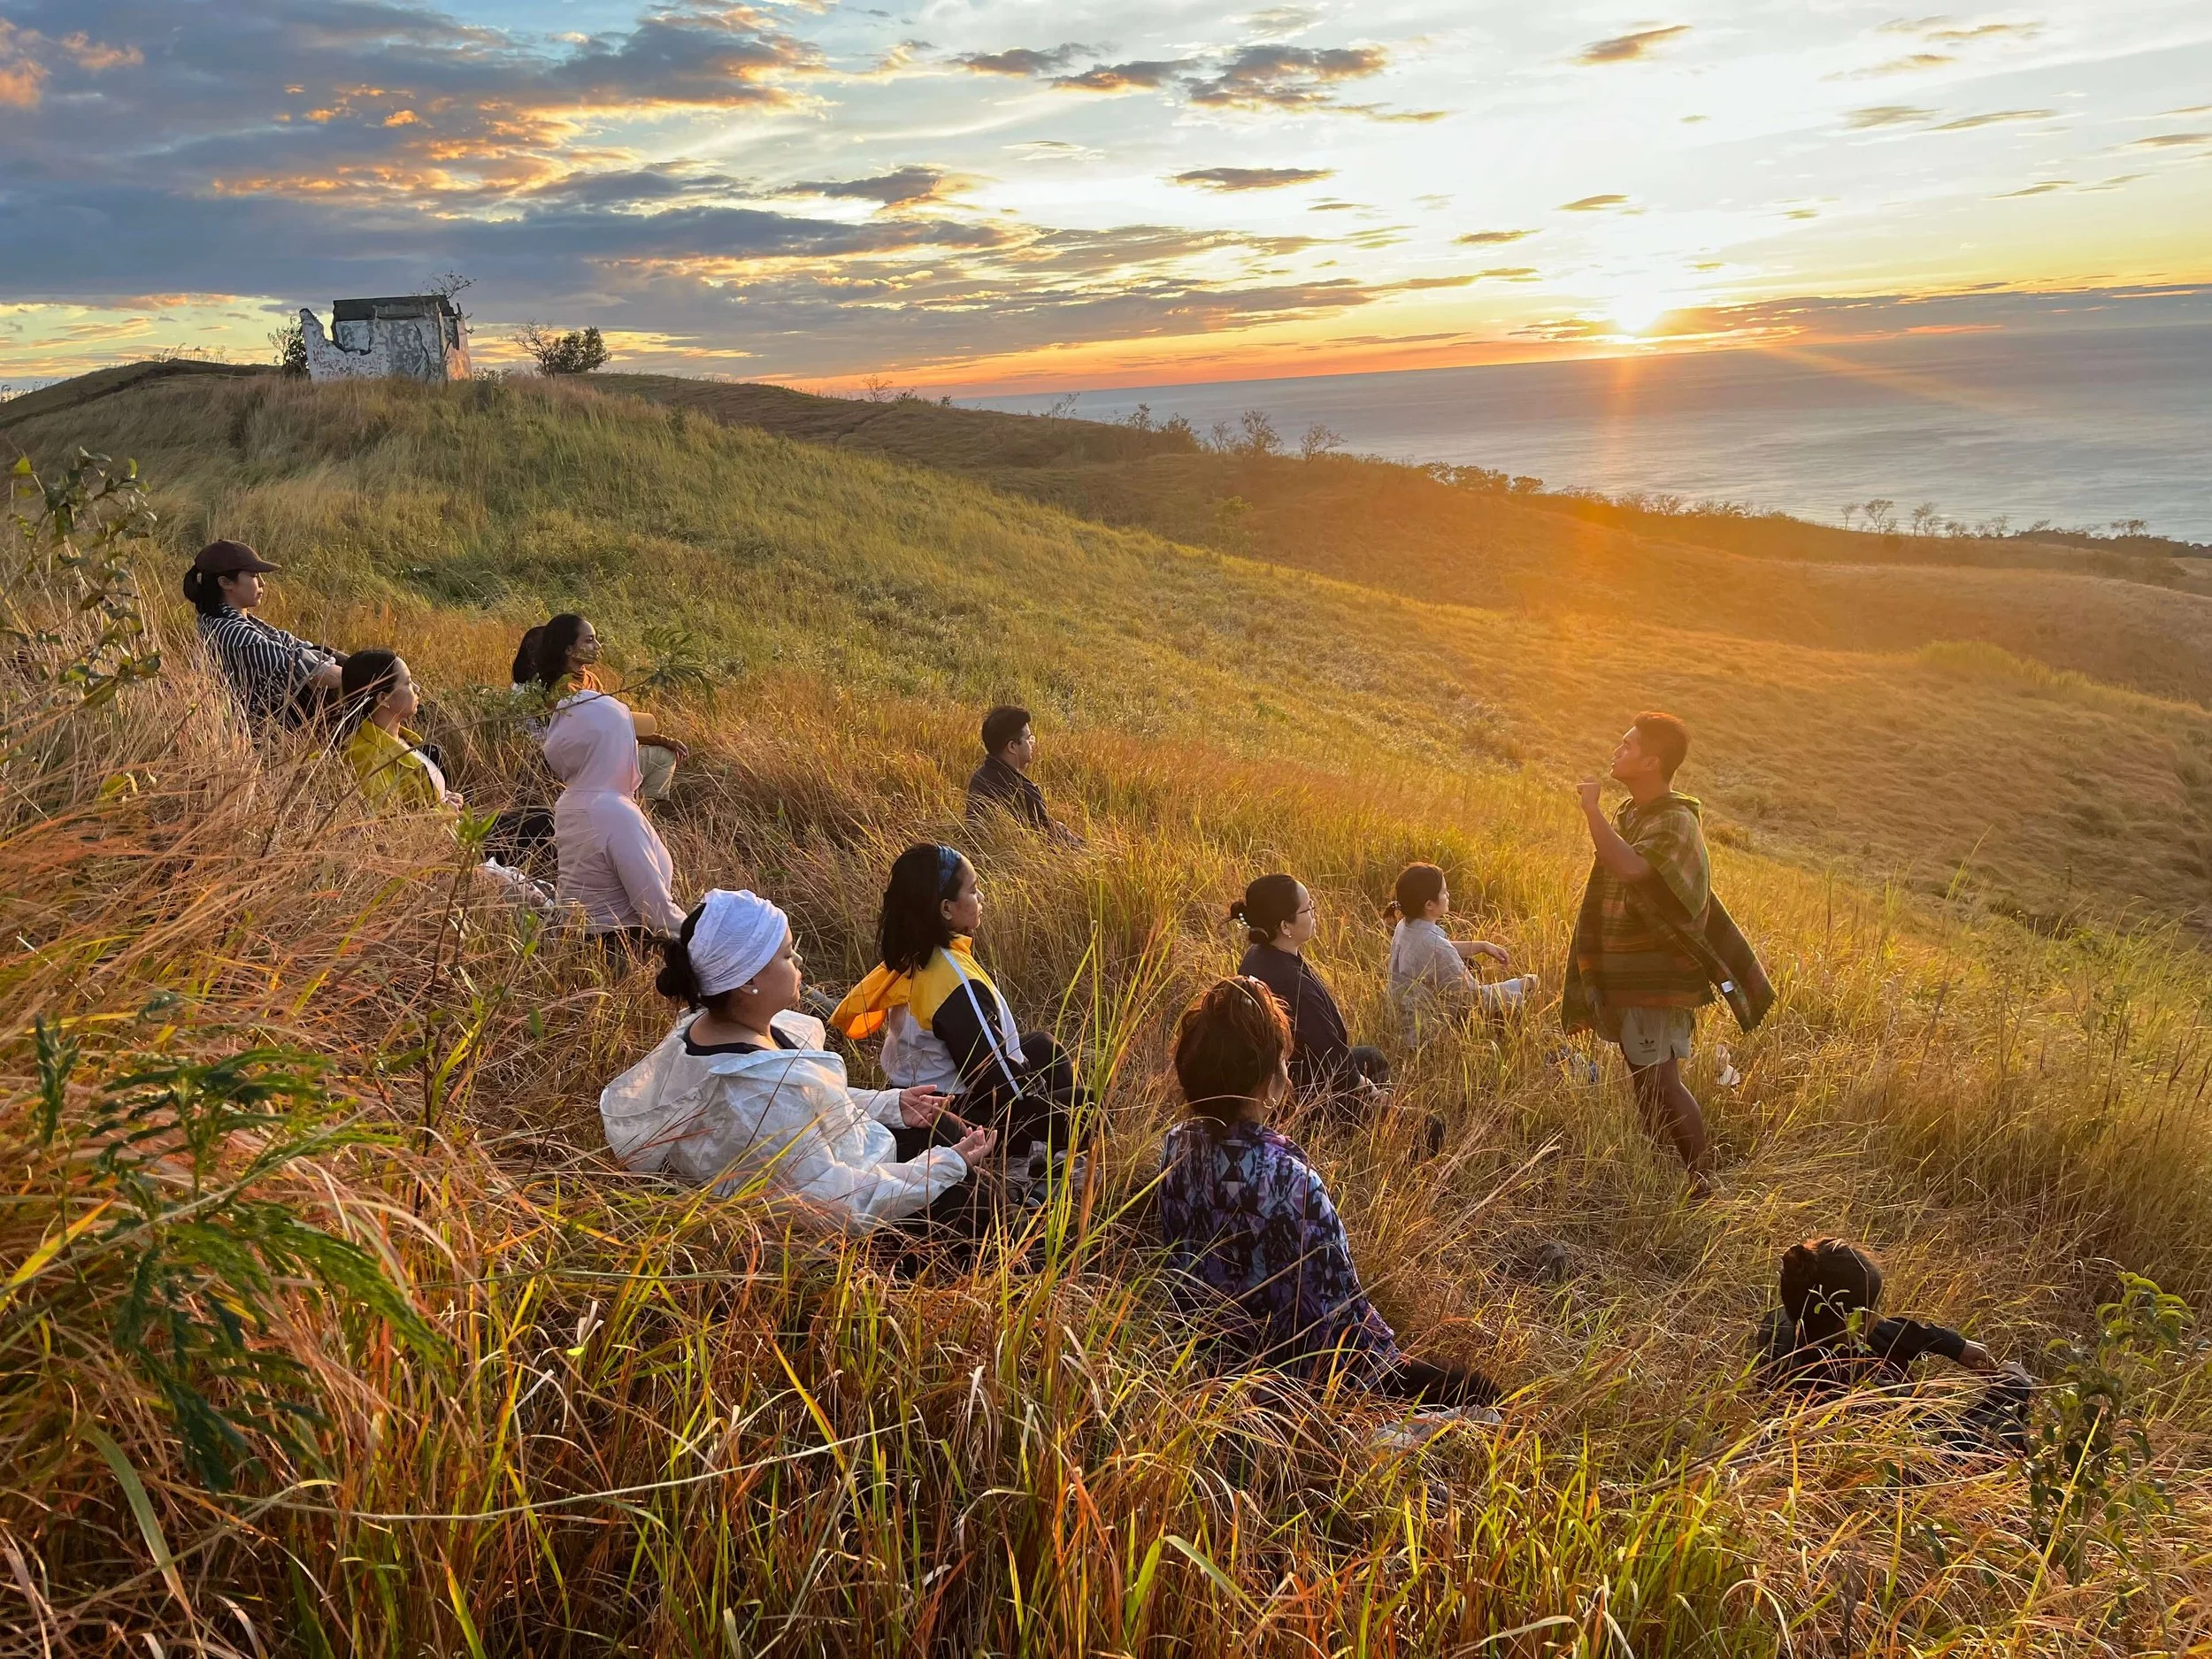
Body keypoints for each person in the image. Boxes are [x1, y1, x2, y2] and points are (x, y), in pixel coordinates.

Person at [1156, 976, 1502, 1409]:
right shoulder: (1292, 1182)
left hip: (1208, 1362)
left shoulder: (1175, 1146)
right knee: (1484, 1396)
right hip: (1301, 1383)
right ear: (1267, 1082)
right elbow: (1341, 1322)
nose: (1288, 1070)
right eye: (1283, 1061)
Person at [598, 889, 995, 1231]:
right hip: (843, 1221)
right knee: (969, 1195)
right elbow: (827, 1201)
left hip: (846, 1162)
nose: (799, 962)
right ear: (748, 980)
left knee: (942, 1130)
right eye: (787, 955)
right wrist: (940, 1169)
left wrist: (888, 1105)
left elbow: (808, 1098)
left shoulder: (735, 1027)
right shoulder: (753, 1096)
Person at [832, 843, 1082, 1164]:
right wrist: (1041, 1097)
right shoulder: (953, 983)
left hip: (921, 1092)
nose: (981, 899)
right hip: (954, 1118)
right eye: (973, 891)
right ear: (946, 909)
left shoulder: (914, 954)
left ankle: (1052, 1150)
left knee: (1043, 1047)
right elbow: (1003, 1088)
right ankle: (1047, 1163)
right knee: (1088, 1109)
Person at [1561, 712, 1717, 1195]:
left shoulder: (1673, 821)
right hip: (1633, 970)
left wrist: (1592, 812)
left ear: (1651, 761)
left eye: (1627, 745)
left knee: (1663, 1080)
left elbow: (1629, 868)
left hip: (1659, 975)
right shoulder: (1637, 813)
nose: (1617, 750)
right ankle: (1656, 1169)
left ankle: (1704, 1182)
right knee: (1643, 1075)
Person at [1755, 1237, 2027, 1449]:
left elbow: (1878, 1331)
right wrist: (2013, 1390)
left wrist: (1949, 1343)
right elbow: (1956, 1447)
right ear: (1851, 1322)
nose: (1881, 1314)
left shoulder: (1783, 1323)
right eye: (1876, 1307)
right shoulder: (1866, 1387)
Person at [336, 650, 555, 865]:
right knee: (544, 823)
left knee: (541, 817)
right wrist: (444, 812)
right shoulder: (367, 757)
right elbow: (387, 830)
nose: (417, 689)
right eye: (408, 683)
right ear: (384, 699)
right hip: (447, 850)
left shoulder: (401, 738)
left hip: (456, 830)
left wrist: (446, 798)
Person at [542, 685, 686, 952]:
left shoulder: (570, 800)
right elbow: (656, 912)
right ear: (614, 745)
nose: (635, 745)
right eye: (629, 737)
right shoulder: (615, 812)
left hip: (582, 945)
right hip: (622, 949)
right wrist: (708, 942)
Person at [1233, 874, 1388, 1111]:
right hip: (1304, 1094)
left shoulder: (1258, 954)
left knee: (1372, 1057)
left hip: (1281, 1075)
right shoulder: (1293, 986)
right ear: (1285, 926)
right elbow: (1332, 1057)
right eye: (1308, 908)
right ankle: (1364, 1127)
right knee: (1432, 1129)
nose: (1314, 913)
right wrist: (1370, 1092)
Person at [514, 614, 687, 802]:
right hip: (593, 764)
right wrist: (660, 741)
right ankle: (641, 813)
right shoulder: (566, 690)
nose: (598, 646)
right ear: (569, 649)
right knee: (662, 758)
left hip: (605, 753)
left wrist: (663, 740)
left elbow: (617, 721)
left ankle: (638, 809)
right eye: (589, 640)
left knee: (662, 752)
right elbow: (610, 725)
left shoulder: (588, 678)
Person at [182, 540, 346, 726]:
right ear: (226, 583)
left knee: (327, 656)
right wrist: (369, 678)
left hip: (266, 718)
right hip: (257, 729)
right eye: (253, 575)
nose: (262, 583)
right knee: (326, 682)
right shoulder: (231, 633)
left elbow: (295, 645)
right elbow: (310, 671)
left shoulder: (232, 620)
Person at [1383, 863, 1540, 1041]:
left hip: (1404, 1023)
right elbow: (1476, 997)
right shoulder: (1435, 946)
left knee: (1469, 963)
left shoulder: (1405, 926)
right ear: (1429, 904)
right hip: (1427, 1037)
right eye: (1444, 892)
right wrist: (1521, 985)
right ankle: (1509, 1050)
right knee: (1509, 1005)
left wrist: (1482, 945)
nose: (1448, 895)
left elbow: (1440, 950)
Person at [965, 705, 1082, 845]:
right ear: (1012, 747)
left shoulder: (979, 778)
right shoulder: (1023, 791)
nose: (1032, 745)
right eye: (1029, 739)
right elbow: (1051, 841)